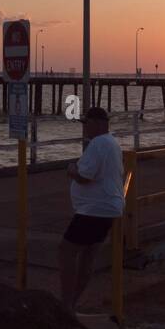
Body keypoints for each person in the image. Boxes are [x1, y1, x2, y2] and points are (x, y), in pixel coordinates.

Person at [58, 107, 123, 313]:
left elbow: (86, 176)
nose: (84, 127)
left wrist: (72, 171)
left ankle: (67, 303)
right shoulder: (112, 142)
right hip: (107, 208)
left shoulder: (97, 144)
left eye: (86, 123)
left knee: (66, 251)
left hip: (93, 210)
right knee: (87, 256)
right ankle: (72, 303)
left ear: (97, 123)